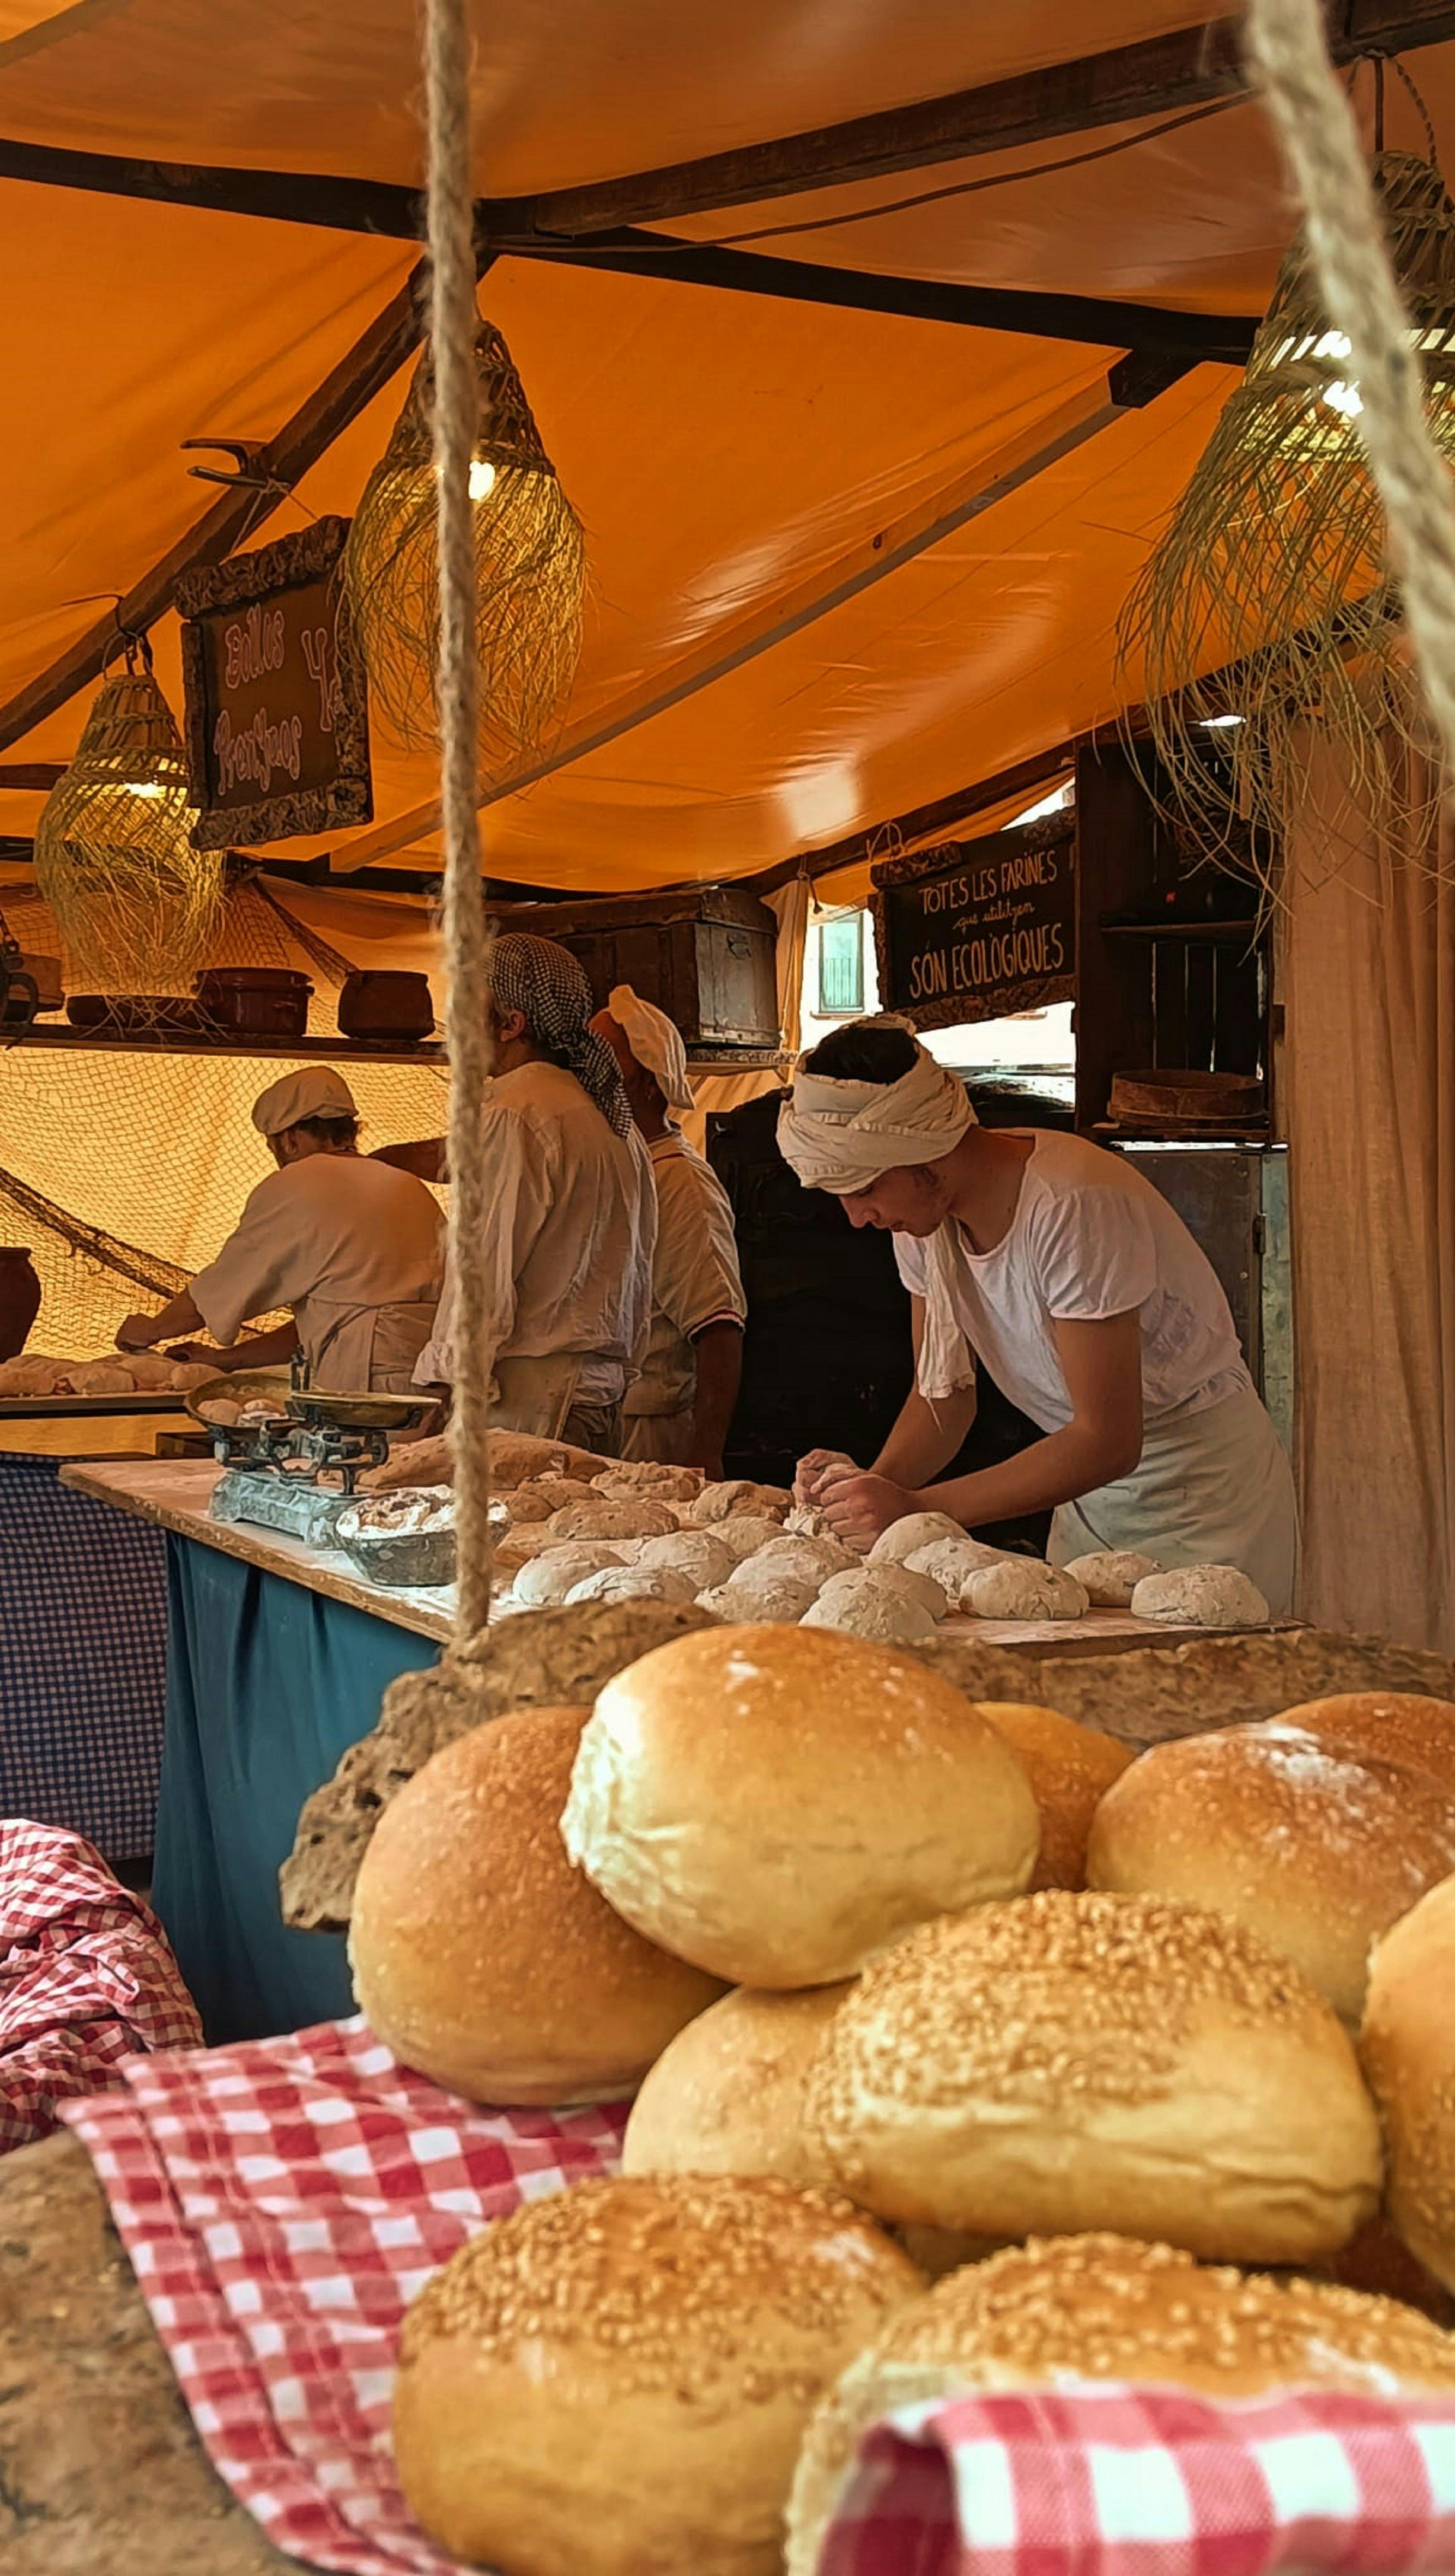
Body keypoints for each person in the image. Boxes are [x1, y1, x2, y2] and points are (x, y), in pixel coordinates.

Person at [777, 1017, 1298, 1613]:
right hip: (1087, 1492)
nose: (856, 1216)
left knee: (1198, 1695)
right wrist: (873, 1492)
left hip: (1204, 1492)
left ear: (923, 1150)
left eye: (863, 1186)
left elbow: (1108, 1440)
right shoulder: (921, 1223)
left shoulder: (1072, 1206)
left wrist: (919, 1508)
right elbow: (943, 1399)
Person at [379, 934, 656, 1455]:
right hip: (593, 1399)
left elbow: (483, 1273)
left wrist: (440, 1395)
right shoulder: (615, 1126)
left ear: (510, 1024)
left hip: (530, 1406)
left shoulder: (517, 1115)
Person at [114, 1068, 445, 1393]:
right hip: (435, 1378)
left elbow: (220, 1289)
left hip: (370, 1385)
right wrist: (227, 1360)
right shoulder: (405, 1184)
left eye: (273, 1148)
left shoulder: (299, 1183)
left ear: (289, 1139)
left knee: (372, 1451)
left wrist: (152, 1328)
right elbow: (330, 1324)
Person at [589, 984, 747, 1477]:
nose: (586, 1075)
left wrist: (705, 1455)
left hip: (652, 1433)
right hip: (610, 1418)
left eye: (602, 1061)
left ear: (649, 1085)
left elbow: (718, 1327)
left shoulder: (679, 1182)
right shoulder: (614, 1168)